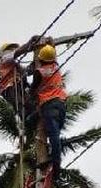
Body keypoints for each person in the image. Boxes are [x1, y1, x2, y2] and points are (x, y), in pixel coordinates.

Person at [31, 40, 68, 169]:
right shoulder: (56, 67)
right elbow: (52, 57)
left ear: (40, 59)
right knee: (55, 134)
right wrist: (50, 45)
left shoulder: (39, 72)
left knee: (53, 135)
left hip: (48, 105)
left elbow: (33, 89)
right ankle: (55, 157)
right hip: (61, 104)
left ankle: (55, 164)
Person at [0, 40, 37, 122]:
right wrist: (30, 43)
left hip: (18, 86)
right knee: (19, 103)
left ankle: (32, 119)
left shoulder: (16, 65)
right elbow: (18, 52)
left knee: (30, 104)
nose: (12, 50)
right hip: (8, 87)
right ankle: (25, 118)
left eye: (13, 48)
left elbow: (28, 71)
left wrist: (36, 57)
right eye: (10, 49)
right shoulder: (4, 59)